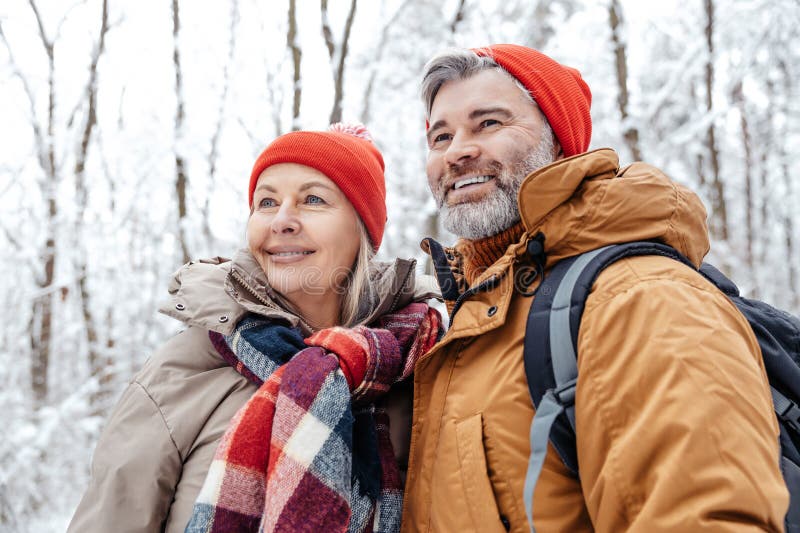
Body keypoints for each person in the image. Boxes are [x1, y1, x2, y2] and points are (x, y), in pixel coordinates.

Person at [400, 44, 790, 532]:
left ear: (561, 144)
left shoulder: (639, 296)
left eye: (489, 124)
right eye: (440, 136)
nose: (457, 151)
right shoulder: (466, 323)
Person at [68, 123, 441, 533]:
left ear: (363, 231)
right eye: (266, 202)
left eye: (313, 199)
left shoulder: (421, 364)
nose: (282, 220)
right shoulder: (183, 369)